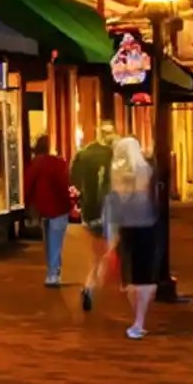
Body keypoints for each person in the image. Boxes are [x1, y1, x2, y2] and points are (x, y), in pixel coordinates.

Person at [104, 137, 159, 340]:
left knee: (129, 276)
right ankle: (139, 321)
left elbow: (114, 204)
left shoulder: (117, 174)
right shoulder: (147, 171)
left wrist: (112, 234)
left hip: (126, 227)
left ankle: (137, 319)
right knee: (143, 276)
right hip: (146, 227)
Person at [71, 122, 116, 312]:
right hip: (109, 209)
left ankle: (90, 284)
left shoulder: (82, 155)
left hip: (89, 211)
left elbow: (73, 182)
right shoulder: (112, 155)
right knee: (105, 252)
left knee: (96, 251)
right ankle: (91, 284)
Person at [25, 135, 72, 286]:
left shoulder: (36, 164)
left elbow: (28, 184)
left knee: (49, 241)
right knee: (56, 240)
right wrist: (69, 203)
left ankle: (53, 270)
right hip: (58, 207)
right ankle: (53, 273)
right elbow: (63, 186)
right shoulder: (59, 164)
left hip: (42, 208)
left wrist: (29, 204)